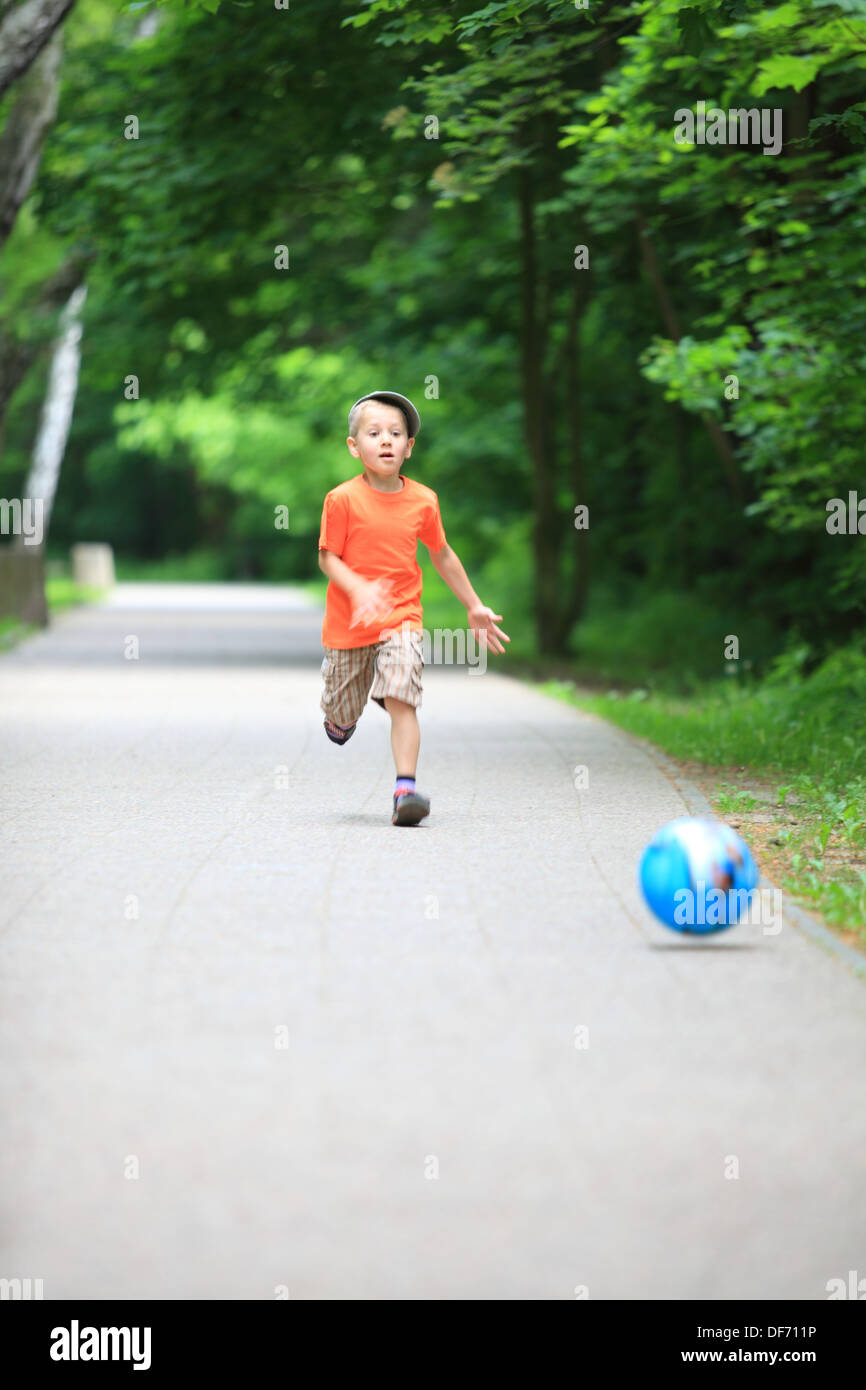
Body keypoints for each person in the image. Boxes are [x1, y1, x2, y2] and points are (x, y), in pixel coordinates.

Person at [317, 390, 510, 825]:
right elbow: (327, 557)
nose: (386, 440)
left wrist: (474, 605)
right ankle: (340, 718)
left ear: (409, 447)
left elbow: (441, 553)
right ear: (354, 446)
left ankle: (406, 792)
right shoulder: (341, 499)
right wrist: (359, 588)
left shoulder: (423, 500)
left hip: (401, 618)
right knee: (341, 714)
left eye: (395, 433)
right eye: (374, 433)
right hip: (348, 627)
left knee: (403, 696)